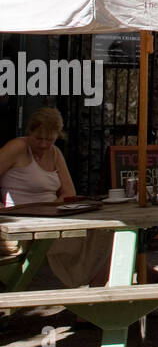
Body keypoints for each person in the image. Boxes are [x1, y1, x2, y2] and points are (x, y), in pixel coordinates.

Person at [0, 107, 111, 286]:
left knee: (105, 234)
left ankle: (92, 300)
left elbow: (69, 192)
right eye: (39, 138)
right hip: (22, 223)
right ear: (30, 132)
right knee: (94, 242)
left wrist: (52, 209)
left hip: (50, 218)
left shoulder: (55, 153)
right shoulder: (17, 147)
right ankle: (88, 301)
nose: (44, 144)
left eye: (50, 139)